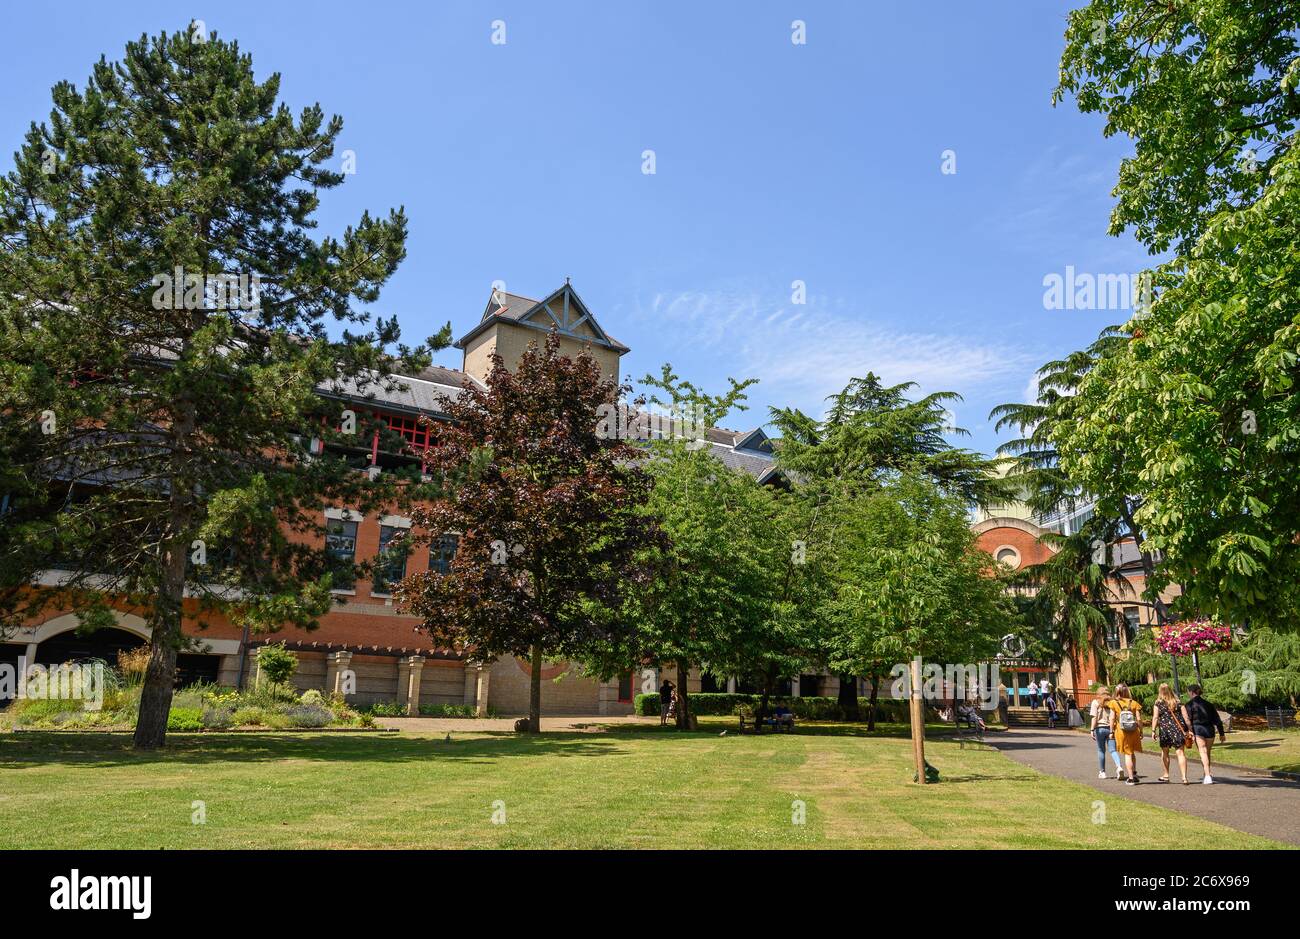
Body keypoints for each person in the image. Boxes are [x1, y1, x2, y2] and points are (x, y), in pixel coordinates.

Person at [1185, 683, 1227, 784]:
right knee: (1207, 753)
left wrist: (1188, 731)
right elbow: (1217, 720)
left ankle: (1208, 776)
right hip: (1210, 730)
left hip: (1198, 729)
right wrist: (1222, 733)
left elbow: (1188, 720)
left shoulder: (1189, 705)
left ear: (1191, 692)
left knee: (1202, 752)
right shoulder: (1209, 704)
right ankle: (1206, 773)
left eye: (1188, 692)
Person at [1151, 682, 1192, 784]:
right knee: (1180, 753)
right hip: (1178, 729)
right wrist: (1190, 730)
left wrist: (1153, 730)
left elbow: (1155, 717)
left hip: (1165, 731)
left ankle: (1166, 775)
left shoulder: (1158, 703)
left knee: (1165, 752)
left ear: (1160, 691)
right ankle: (1184, 777)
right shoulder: (1178, 702)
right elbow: (1186, 718)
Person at [1108, 683, 1144, 785]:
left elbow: (1111, 718)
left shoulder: (1113, 703)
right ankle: (1134, 773)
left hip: (1121, 731)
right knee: (1132, 752)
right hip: (1133, 730)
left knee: (1127, 754)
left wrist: (1111, 731)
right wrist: (1141, 730)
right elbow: (1139, 719)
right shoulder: (1134, 703)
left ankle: (1131, 778)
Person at [1089, 686, 1124, 779]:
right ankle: (1119, 766)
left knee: (1101, 750)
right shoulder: (1111, 702)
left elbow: (1094, 717)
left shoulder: (1095, 702)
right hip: (1110, 728)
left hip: (1099, 729)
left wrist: (1092, 729)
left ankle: (1102, 772)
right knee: (1113, 750)